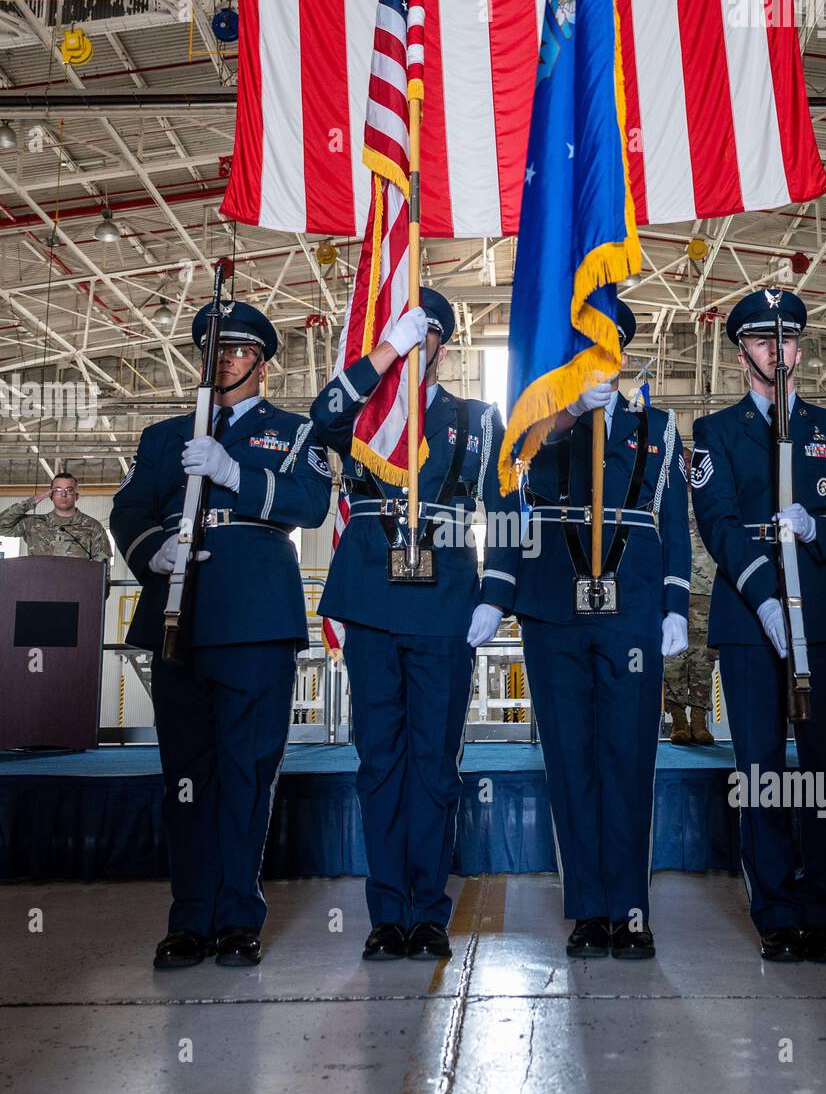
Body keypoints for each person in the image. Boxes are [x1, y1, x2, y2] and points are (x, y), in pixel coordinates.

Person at [110, 299, 330, 970]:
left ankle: (237, 917)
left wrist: (236, 474)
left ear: (262, 365)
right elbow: (129, 509)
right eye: (212, 351)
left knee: (247, 772)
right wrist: (154, 552)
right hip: (182, 613)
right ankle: (189, 918)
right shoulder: (163, 436)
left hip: (256, 617)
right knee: (186, 774)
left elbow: (309, 503)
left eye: (235, 352)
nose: (222, 362)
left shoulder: (293, 432)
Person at [311, 289, 521, 963]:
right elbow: (321, 417)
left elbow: (508, 509)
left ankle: (426, 911)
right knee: (379, 760)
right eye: (409, 329)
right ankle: (384, 912)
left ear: (445, 343)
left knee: (433, 762)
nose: (418, 339)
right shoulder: (365, 413)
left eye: (428, 331)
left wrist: (496, 593)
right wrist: (382, 353)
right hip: (373, 599)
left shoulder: (478, 419)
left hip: (446, 605)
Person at [691, 288, 826, 966]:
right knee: (760, 769)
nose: (779, 351)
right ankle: (774, 911)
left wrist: (817, 528)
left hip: (825, 617)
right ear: (742, 351)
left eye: (789, 339)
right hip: (750, 620)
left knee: (824, 766)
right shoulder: (714, 432)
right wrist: (767, 600)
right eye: (765, 340)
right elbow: (716, 524)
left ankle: (822, 913)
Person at [514, 301, 691, 961]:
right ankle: (588, 910)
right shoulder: (537, 422)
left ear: (619, 352)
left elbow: (672, 519)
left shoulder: (660, 427)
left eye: (606, 342)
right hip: (552, 608)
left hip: (633, 609)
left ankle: (630, 909)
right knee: (568, 760)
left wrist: (675, 604)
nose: (596, 352)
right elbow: (515, 482)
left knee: (627, 759)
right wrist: (565, 413)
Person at [665, 484, 717, 746]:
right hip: (675, 590)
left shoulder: (711, 497)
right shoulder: (666, 498)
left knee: (703, 660)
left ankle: (698, 719)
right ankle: (678, 720)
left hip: (706, 592)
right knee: (673, 660)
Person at [0, 472, 112, 565]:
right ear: (51, 496)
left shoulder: (92, 526)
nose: (63, 494)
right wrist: (30, 502)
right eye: (57, 490)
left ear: (76, 496)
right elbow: (2, 525)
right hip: (39, 588)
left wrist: (98, 592)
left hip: (75, 588)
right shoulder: (33, 523)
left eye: (69, 490)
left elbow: (102, 568)